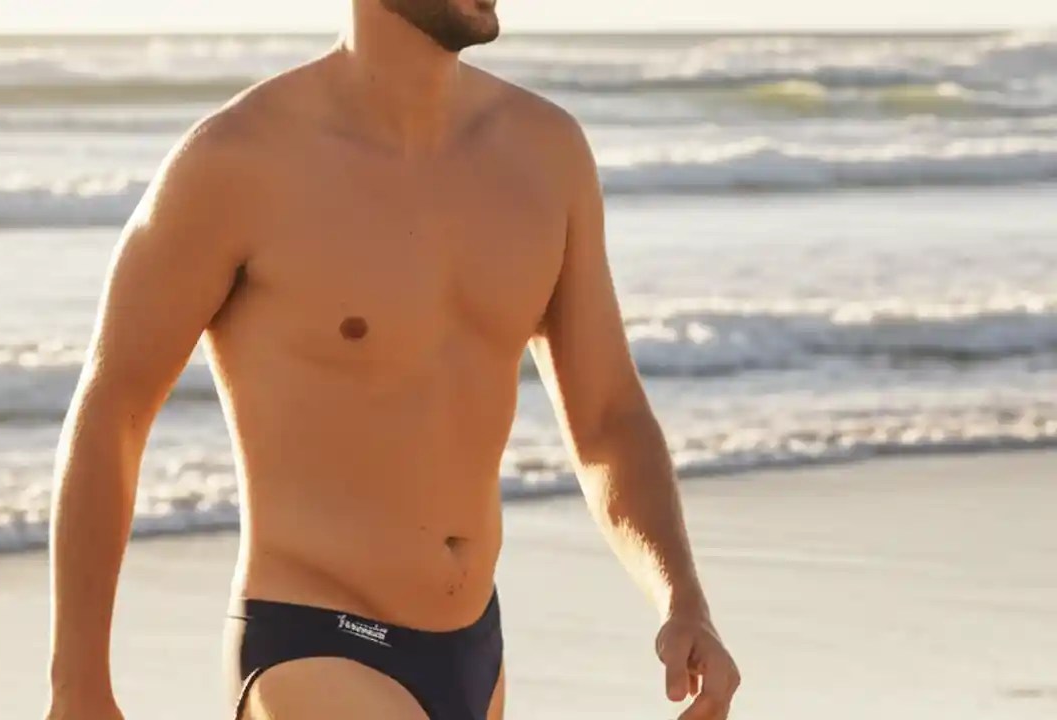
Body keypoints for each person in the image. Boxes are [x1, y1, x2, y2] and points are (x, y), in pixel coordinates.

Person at [45, 1, 741, 718]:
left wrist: (681, 599)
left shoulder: (545, 153)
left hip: (478, 645)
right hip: (317, 640)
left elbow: (607, 417)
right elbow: (112, 410)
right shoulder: (239, 161)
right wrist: (78, 685)